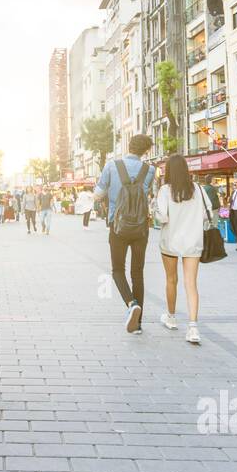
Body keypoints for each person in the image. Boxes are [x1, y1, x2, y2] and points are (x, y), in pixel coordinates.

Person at [96, 134, 156, 333]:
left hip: (118, 226)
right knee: (137, 272)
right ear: (146, 151)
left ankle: (131, 304)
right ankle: (138, 324)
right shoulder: (150, 170)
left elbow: (98, 194)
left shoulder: (112, 166)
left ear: (128, 146)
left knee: (117, 270)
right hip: (141, 227)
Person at [153, 154, 209, 346]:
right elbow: (207, 213)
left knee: (171, 280)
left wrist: (153, 208)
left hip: (170, 241)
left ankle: (171, 316)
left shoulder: (165, 190)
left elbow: (162, 218)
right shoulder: (199, 190)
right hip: (193, 241)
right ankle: (193, 327)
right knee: (191, 283)